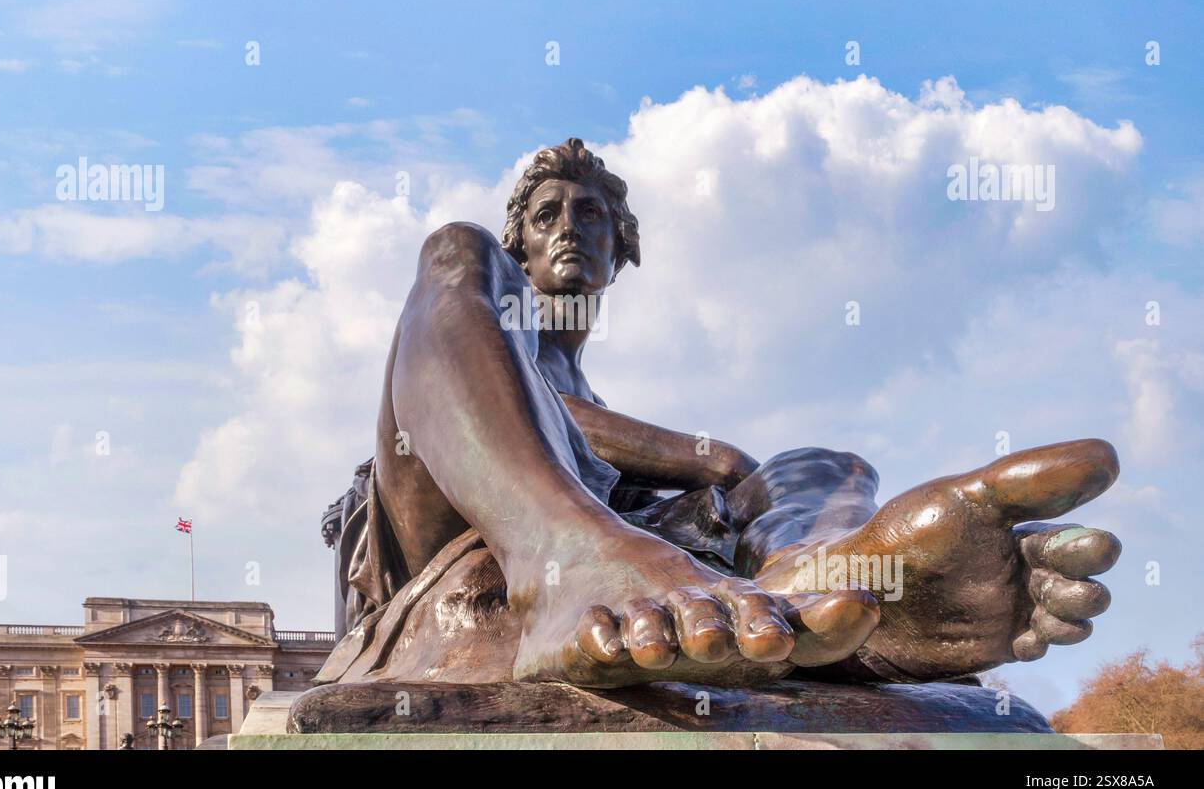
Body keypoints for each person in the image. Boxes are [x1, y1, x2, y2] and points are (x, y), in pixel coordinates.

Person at [317, 138, 1120, 688]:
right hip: (451, 525)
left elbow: (594, 425)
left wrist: (742, 476)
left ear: (621, 249)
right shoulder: (487, 322)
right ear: (520, 247)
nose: (569, 227)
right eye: (546, 214)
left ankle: (823, 579)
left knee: (821, 466)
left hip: (625, 535)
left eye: (590, 215)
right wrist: (711, 459)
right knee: (454, 249)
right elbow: (542, 412)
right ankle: (563, 559)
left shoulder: (584, 389)